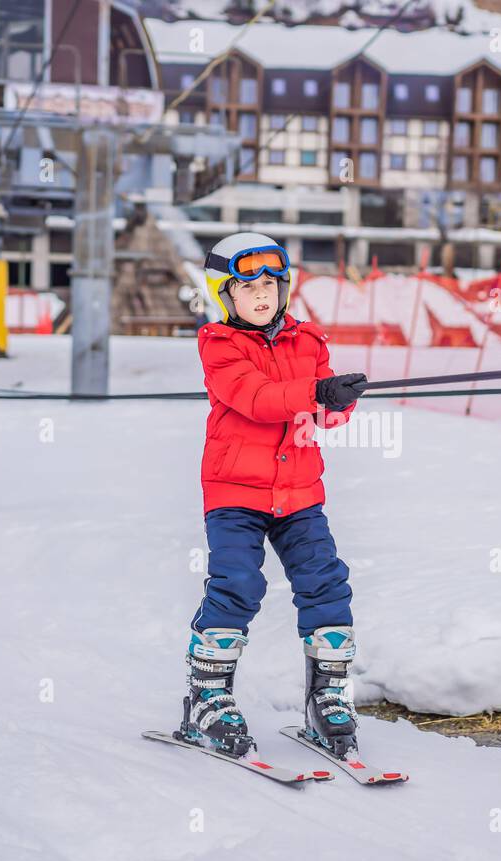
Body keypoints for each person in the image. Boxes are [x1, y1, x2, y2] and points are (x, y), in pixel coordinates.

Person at [181, 232, 369, 759]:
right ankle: (207, 699)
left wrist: (338, 400)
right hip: (235, 492)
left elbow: (322, 411)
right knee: (238, 584)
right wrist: (314, 392)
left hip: (299, 492)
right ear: (226, 295)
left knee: (326, 583)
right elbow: (259, 400)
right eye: (247, 287)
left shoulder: (307, 341)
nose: (262, 295)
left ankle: (327, 695)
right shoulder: (218, 344)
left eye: (270, 284)